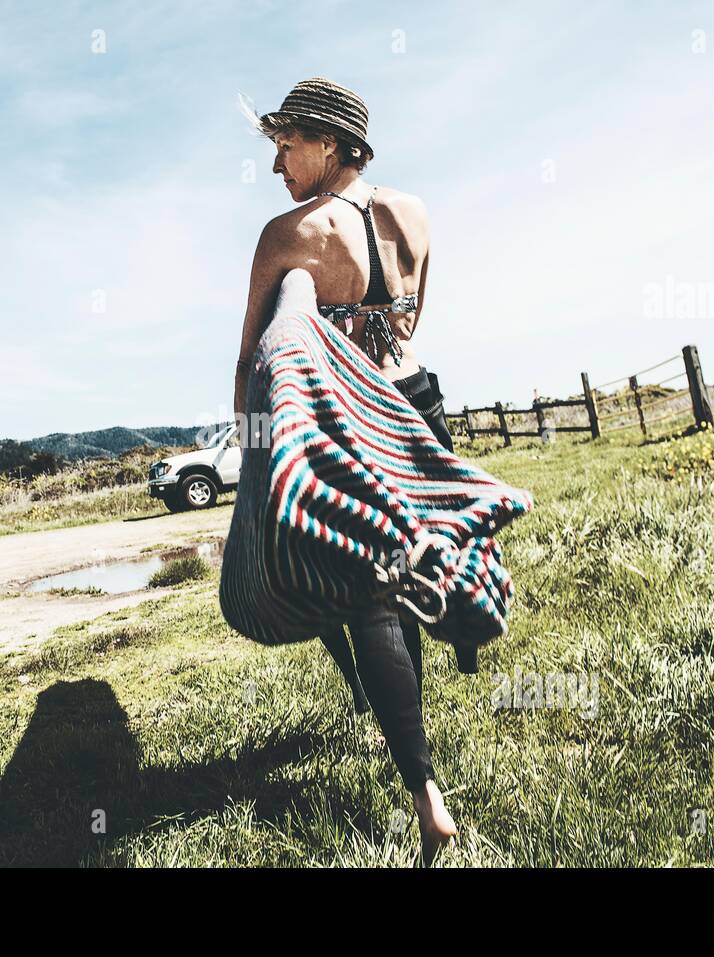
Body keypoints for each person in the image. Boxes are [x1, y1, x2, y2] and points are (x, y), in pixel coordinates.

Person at [233, 77, 458, 862]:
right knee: (397, 578)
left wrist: (256, 451)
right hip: (419, 405)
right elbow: (411, 316)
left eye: (284, 145)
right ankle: (405, 689)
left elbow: (251, 357)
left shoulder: (287, 235)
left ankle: (424, 788)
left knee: (356, 594)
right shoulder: (417, 213)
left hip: (348, 422)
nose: (276, 167)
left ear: (327, 142)